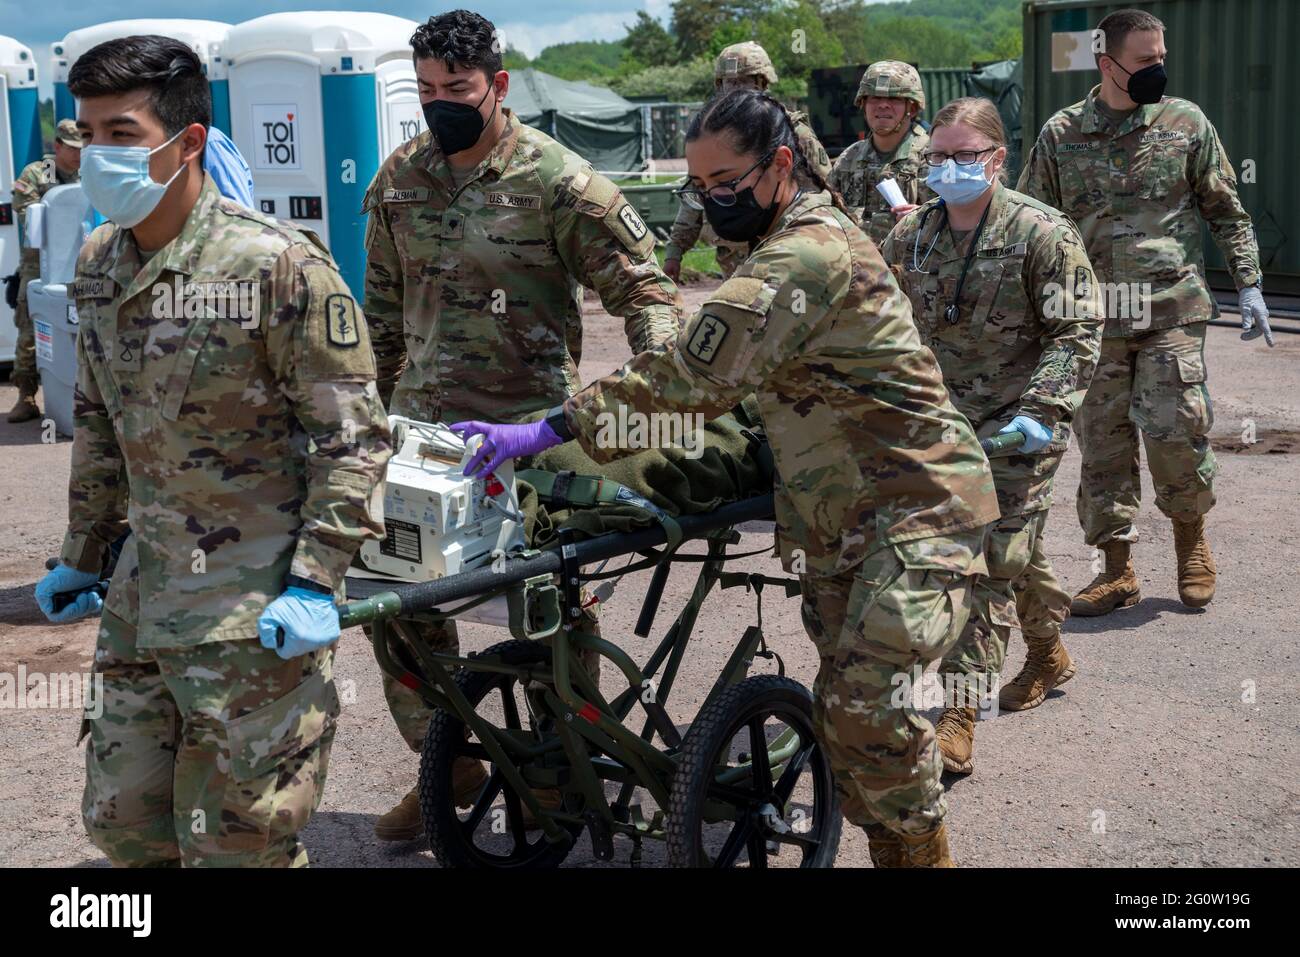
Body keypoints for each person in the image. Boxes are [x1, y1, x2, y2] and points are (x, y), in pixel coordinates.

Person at [452, 89, 1002, 867]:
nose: (712, 201)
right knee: (855, 730)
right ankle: (903, 846)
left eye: (726, 182)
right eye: (699, 186)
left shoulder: (804, 254)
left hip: (917, 509)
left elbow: (690, 373)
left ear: (781, 165)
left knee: (873, 724)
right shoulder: (775, 239)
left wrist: (548, 428)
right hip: (840, 515)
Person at [33, 35, 391, 867]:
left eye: (121, 134)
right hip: (139, 598)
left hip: (252, 612)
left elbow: (354, 434)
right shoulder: (99, 262)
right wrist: (84, 555)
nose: (97, 154)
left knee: (242, 843)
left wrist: (315, 582)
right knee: (124, 825)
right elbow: (97, 422)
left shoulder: (278, 267)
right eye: (86, 133)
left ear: (187, 141)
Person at [361, 8, 683, 840]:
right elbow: (384, 317)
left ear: (497, 85)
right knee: (398, 611)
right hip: (423, 438)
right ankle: (456, 760)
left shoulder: (559, 181)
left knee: (549, 617)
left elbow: (647, 293)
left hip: (529, 439)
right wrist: (364, 421)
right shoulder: (399, 177)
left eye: (457, 89)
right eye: (426, 89)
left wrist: (660, 384)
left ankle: (558, 774)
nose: (440, 104)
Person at [1017, 8, 1271, 615]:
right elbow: (1032, 224)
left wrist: (1252, 284)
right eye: (1145, 61)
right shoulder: (1061, 134)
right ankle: (1116, 568)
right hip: (1094, 318)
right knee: (1102, 448)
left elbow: (1225, 210)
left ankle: (1191, 542)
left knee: (1175, 431)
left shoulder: (1186, 123)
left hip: (1170, 309)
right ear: (1108, 65)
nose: (1159, 68)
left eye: (1162, 58)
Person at [880, 98, 1102, 773]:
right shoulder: (910, 237)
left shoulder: (1043, 233)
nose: (949, 168)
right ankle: (1046, 651)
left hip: (1021, 428)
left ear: (998, 159)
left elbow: (1078, 331)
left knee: (988, 564)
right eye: (938, 157)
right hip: (943, 429)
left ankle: (959, 712)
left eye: (965, 156)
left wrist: (1042, 407)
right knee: (1018, 552)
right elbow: (880, 327)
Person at [662, 41, 830, 283]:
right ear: (719, 85)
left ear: (762, 82)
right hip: (735, 259)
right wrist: (674, 253)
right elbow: (696, 197)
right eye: (730, 82)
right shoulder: (711, 135)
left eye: (744, 81)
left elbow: (824, 190)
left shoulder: (792, 131)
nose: (735, 88)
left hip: (787, 251)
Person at [8, 119, 82, 423]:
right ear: (58, 146)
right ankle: (26, 396)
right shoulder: (37, 173)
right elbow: (25, 211)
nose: (79, 155)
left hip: (80, 262)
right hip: (39, 264)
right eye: (74, 149)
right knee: (31, 327)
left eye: (83, 149)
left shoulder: (87, 174)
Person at [828, 61, 934, 245]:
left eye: (894, 99)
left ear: (912, 108)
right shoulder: (848, 158)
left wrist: (924, 218)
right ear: (863, 104)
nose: (883, 105)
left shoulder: (933, 157)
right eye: (874, 98)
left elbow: (957, 221)